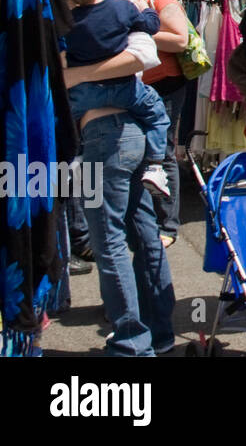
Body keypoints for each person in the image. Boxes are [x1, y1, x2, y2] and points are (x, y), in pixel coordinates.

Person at [62, 40, 177, 356]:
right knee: (143, 236)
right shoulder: (124, 14)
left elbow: (147, 54)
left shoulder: (111, 12)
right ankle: (157, 335)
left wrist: (77, 75)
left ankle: (132, 344)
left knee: (110, 244)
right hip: (127, 135)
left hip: (103, 139)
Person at [59, 0, 172, 198]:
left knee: (65, 124)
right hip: (126, 89)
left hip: (84, 93)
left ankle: (72, 160)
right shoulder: (123, 8)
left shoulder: (66, 23)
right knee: (158, 116)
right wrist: (147, 10)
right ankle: (155, 166)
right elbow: (149, 27)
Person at [124, 0, 193, 247]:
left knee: (162, 152)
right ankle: (145, 218)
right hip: (138, 86)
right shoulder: (126, 0)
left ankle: (168, 226)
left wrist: (141, 32)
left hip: (165, 85)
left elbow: (181, 39)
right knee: (142, 153)